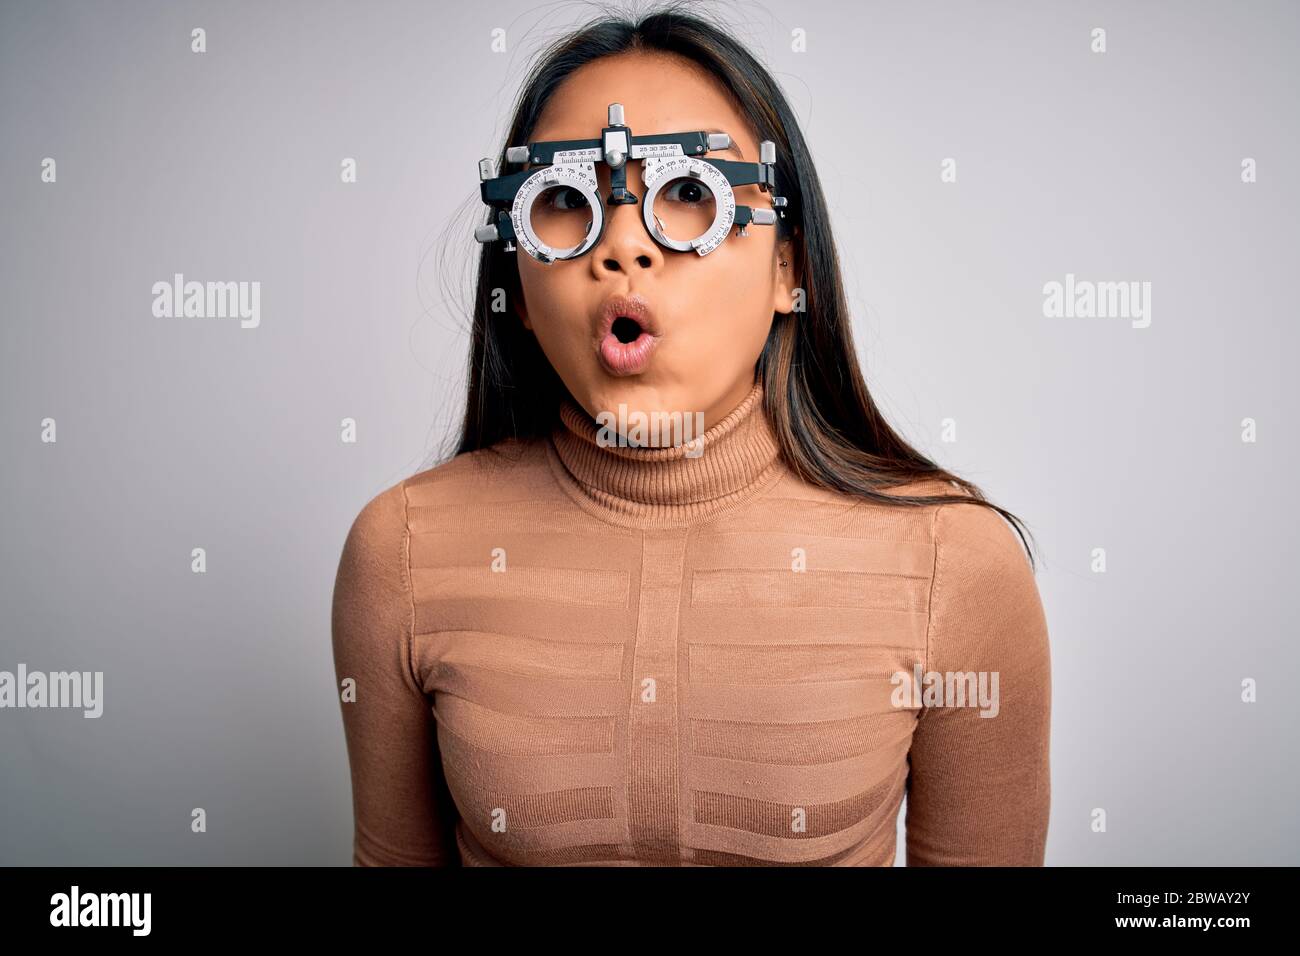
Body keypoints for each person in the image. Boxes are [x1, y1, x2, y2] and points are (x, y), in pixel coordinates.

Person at [331, 5, 1050, 867]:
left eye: (687, 194)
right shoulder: (402, 553)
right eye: (563, 202)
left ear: (791, 268)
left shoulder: (955, 565)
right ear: (516, 289)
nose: (625, 247)